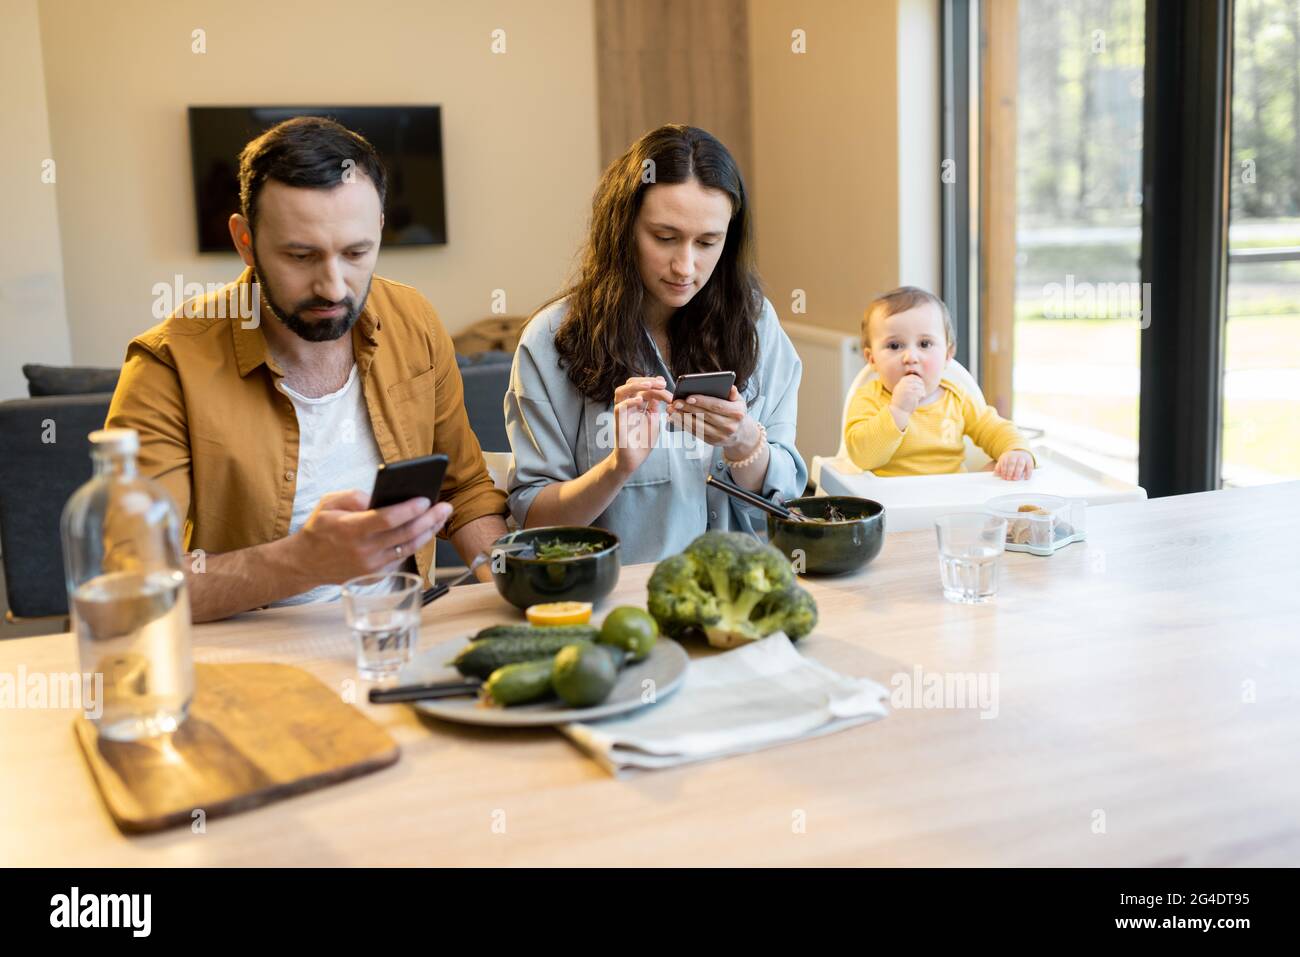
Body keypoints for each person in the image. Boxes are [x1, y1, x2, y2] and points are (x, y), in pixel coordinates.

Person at [106, 116, 508, 621]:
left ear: (381, 226)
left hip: (402, 636)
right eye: (301, 255)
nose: (334, 287)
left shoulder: (415, 322)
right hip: (253, 664)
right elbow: (135, 588)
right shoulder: (168, 366)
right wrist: (305, 562)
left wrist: (511, 589)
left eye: (357, 252)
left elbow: (466, 490)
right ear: (245, 240)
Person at [505, 125, 807, 565]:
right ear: (623, 227)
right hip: (619, 603)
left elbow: (785, 499)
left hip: (742, 588)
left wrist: (744, 442)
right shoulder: (551, 342)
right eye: (664, 238)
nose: (685, 266)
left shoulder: (756, 324)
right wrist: (617, 467)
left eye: (707, 242)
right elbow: (536, 523)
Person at [844, 286, 1035, 478]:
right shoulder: (869, 398)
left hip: (951, 498)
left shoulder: (956, 398)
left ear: (947, 354)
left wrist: (1016, 450)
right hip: (891, 501)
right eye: (894, 346)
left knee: (998, 472)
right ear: (872, 359)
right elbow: (862, 457)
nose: (911, 356)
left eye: (925, 344)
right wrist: (898, 411)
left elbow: (993, 428)